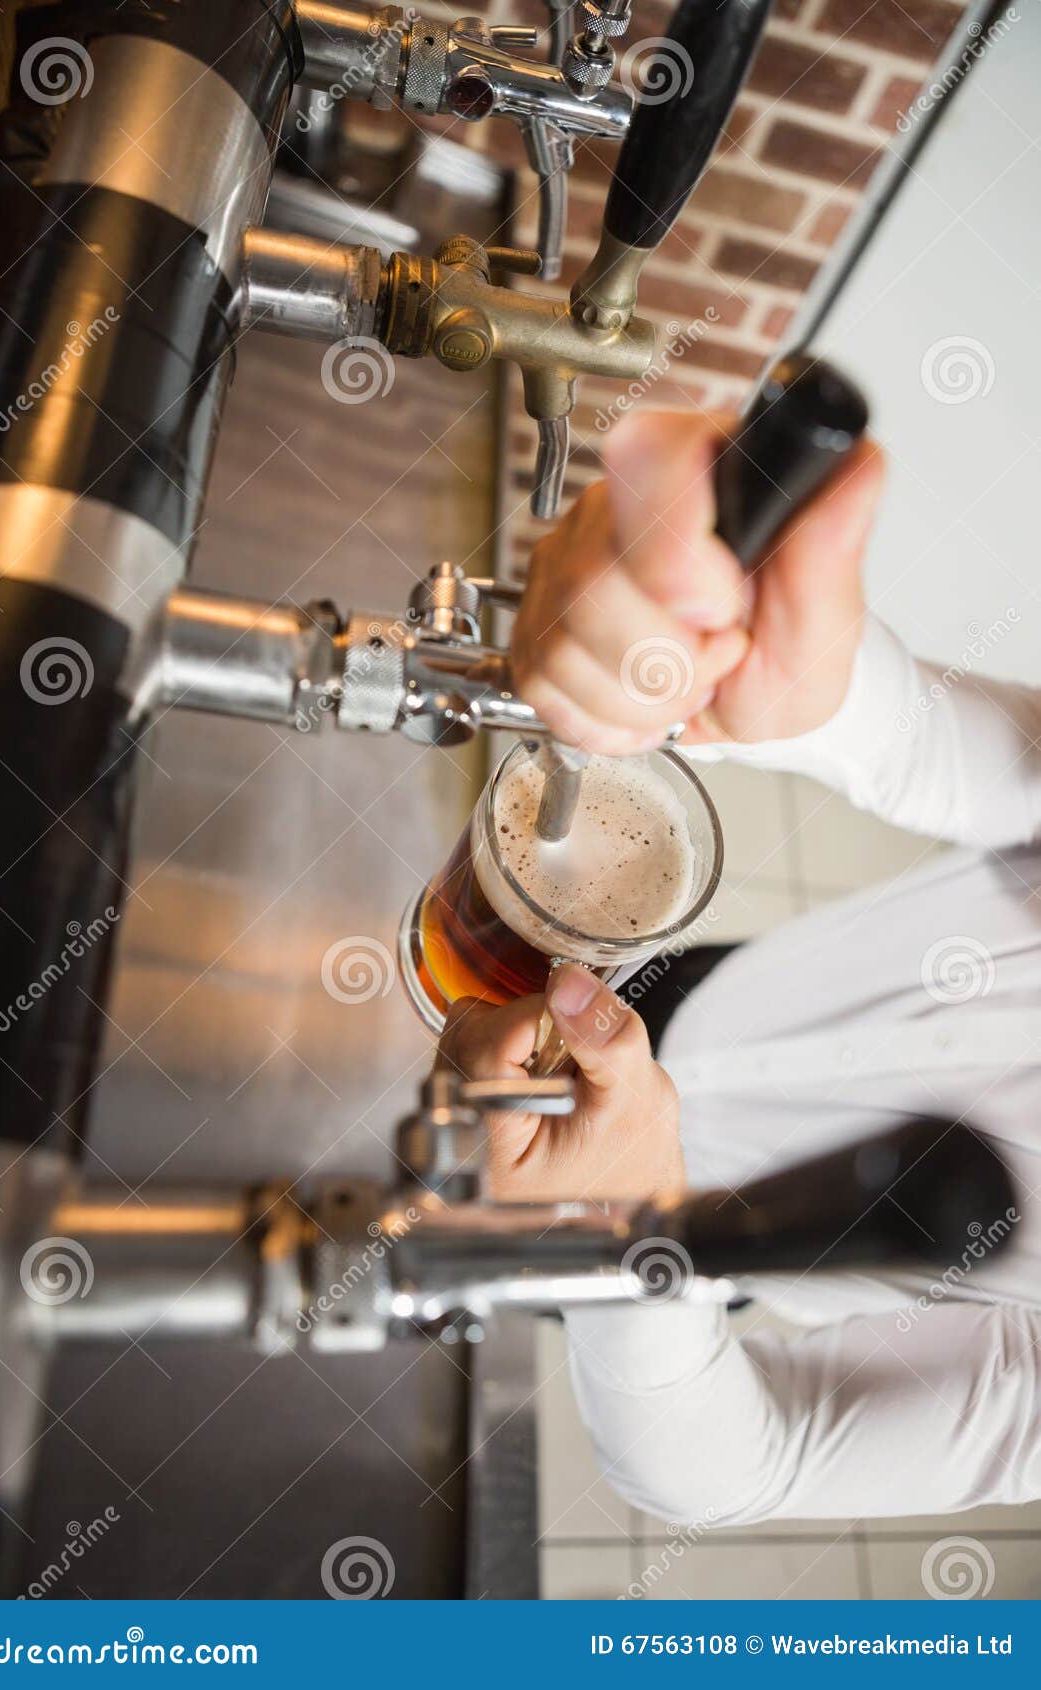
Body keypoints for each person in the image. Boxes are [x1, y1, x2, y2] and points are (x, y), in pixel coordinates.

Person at [435, 409, 1041, 1524]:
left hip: (699, 1235)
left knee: (436, 1236)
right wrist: (720, 667)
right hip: (697, 989)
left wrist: (614, 1231)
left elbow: (748, 1463)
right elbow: (905, 735)